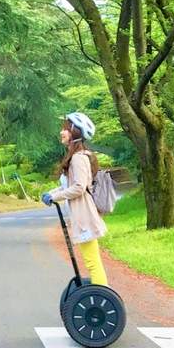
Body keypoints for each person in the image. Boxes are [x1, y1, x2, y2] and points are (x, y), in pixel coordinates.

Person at [42, 112, 110, 286]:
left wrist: (55, 196)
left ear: (75, 132)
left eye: (65, 129)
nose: (61, 132)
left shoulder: (78, 158)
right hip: (82, 215)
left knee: (92, 262)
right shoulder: (77, 157)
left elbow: (79, 187)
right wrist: (51, 193)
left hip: (85, 216)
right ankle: (100, 295)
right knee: (92, 261)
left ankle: (102, 297)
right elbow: (69, 185)